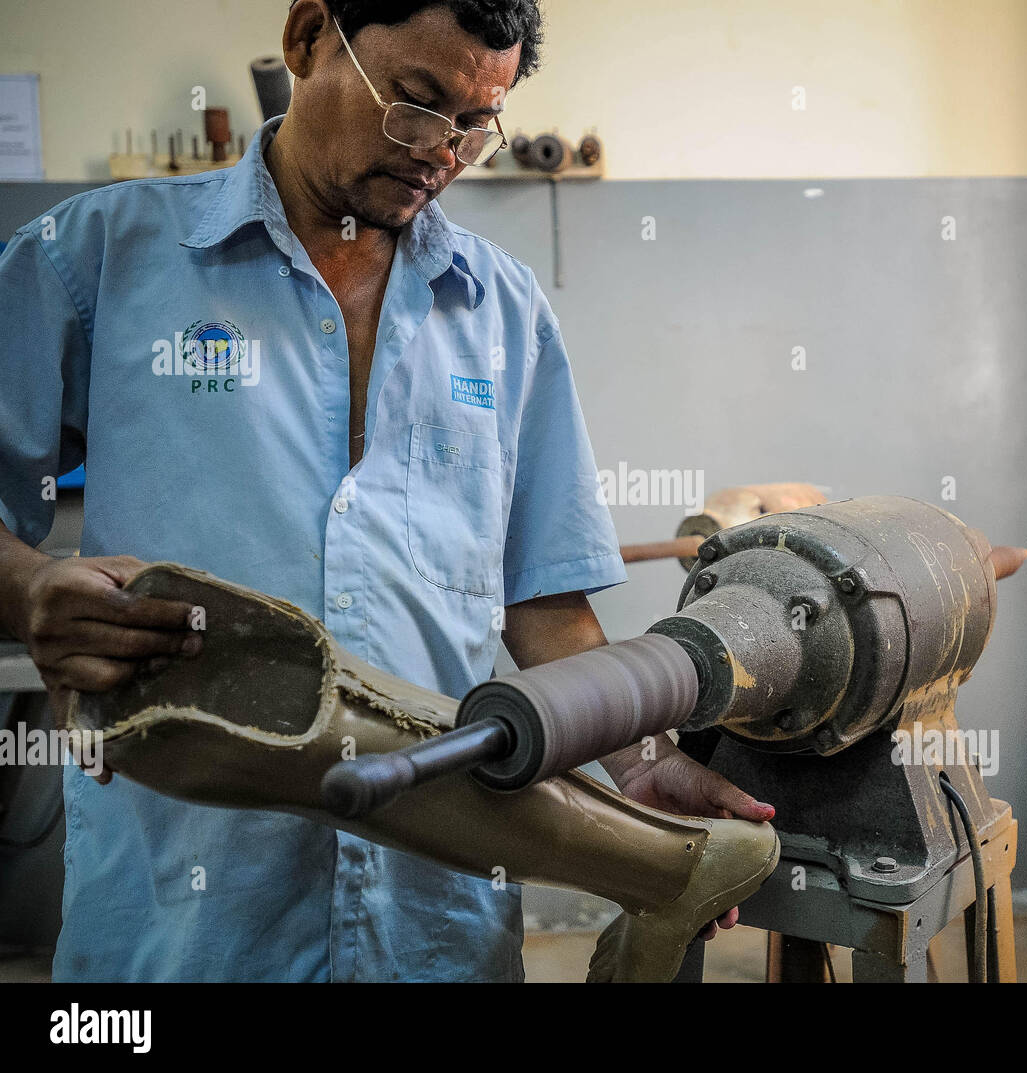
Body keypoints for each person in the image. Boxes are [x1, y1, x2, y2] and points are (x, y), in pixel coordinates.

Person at [0, 0, 773, 982]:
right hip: (184, 914)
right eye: (416, 103)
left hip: (435, 913)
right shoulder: (98, 258)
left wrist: (636, 762)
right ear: (308, 37)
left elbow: (544, 604)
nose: (440, 153)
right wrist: (29, 588)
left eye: (475, 125)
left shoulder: (504, 313)